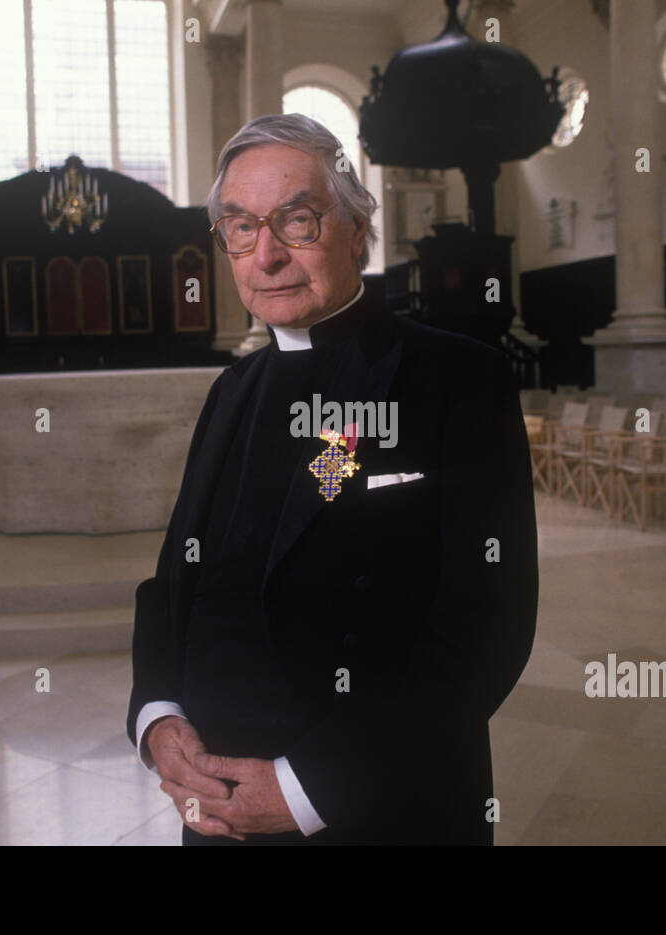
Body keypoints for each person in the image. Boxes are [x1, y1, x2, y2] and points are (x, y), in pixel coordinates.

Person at [127, 113, 538, 845]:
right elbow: (173, 585)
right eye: (240, 227)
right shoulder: (232, 389)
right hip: (217, 815)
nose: (268, 254)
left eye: (297, 220)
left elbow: (487, 630)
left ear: (356, 229)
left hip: (379, 811)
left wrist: (309, 788)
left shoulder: (456, 378)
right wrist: (157, 716)